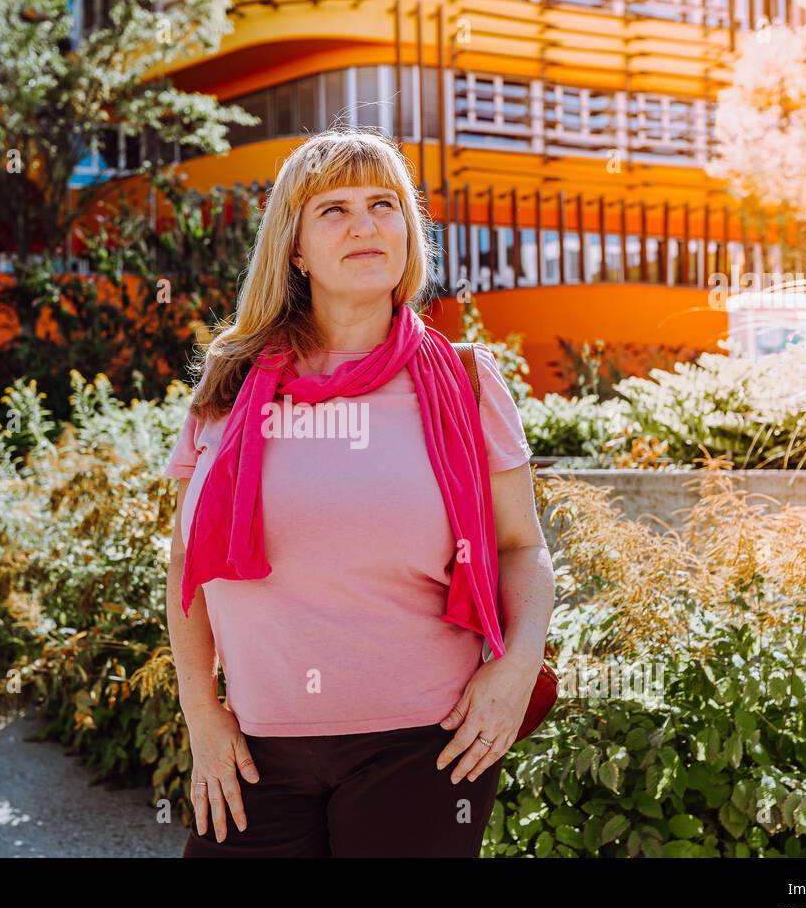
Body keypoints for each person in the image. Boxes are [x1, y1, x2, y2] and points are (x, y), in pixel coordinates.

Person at [162, 127, 555, 857]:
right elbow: (188, 563)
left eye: (384, 203)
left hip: (425, 746)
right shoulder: (229, 383)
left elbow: (520, 547)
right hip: (256, 749)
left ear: (409, 234)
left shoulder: (465, 382)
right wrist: (201, 712)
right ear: (296, 250)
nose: (366, 223)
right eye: (333, 209)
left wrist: (516, 666)